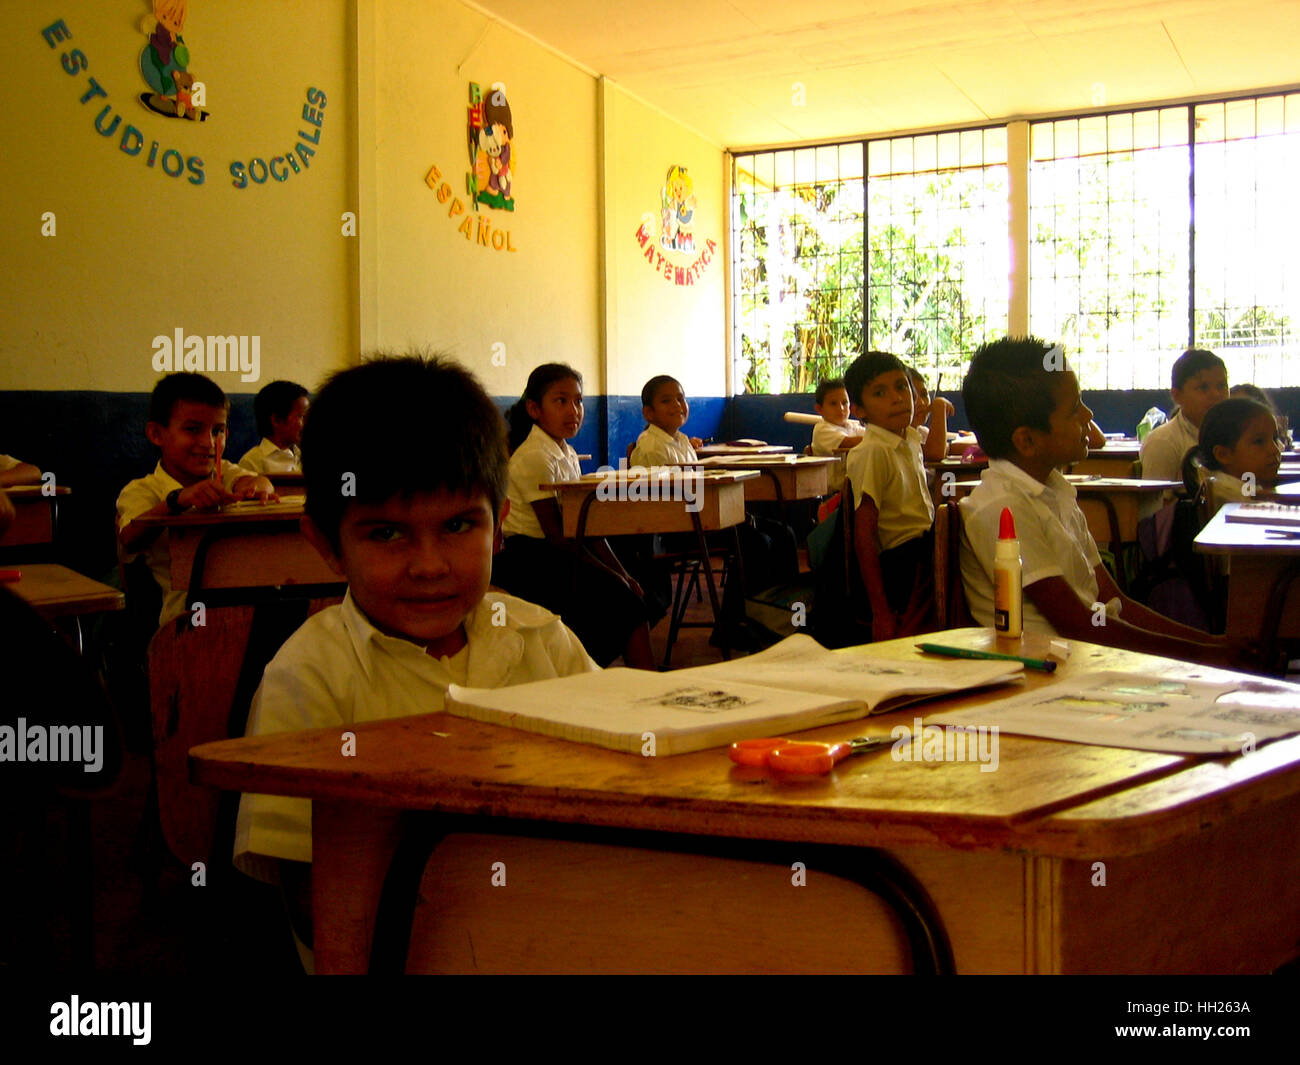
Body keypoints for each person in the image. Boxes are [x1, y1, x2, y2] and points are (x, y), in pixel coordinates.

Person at [233, 354, 599, 965]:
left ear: (499, 527)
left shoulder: (544, 641)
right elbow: (308, 896)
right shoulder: (309, 676)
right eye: (385, 534)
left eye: (458, 525)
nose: (429, 564)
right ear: (326, 544)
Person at [959, 336, 1249, 668]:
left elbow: (1114, 602)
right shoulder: (1003, 508)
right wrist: (1207, 657)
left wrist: (1212, 644)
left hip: (1086, 659)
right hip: (1046, 674)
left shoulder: (1055, 491)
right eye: (1074, 409)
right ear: (1027, 440)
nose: (1088, 414)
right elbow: (1083, 629)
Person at [493, 363, 655, 669]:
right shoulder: (535, 456)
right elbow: (556, 534)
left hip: (561, 548)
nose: (574, 410)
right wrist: (612, 575)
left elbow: (586, 526)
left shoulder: (565, 452)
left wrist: (621, 572)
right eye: (560, 401)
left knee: (638, 586)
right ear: (534, 409)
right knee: (623, 601)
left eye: (579, 401)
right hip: (528, 558)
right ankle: (640, 676)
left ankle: (602, 667)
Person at [116, 372, 276, 627]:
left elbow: (259, 481)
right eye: (193, 430)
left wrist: (255, 488)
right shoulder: (143, 490)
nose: (209, 443)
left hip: (249, 605)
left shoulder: (225, 473)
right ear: (157, 434)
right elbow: (129, 538)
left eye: (218, 431)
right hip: (187, 618)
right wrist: (176, 501)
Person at [842, 351, 936, 640]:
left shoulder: (910, 441)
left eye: (901, 386)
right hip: (900, 563)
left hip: (921, 551)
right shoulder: (873, 452)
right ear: (859, 409)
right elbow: (864, 536)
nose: (896, 398)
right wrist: (880, 612)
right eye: (880, 393)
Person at [1139, 348, 1229, 484]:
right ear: (1177, 396)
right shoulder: (1163, 442)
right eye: (1203, 388)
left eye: (1221, 386)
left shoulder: (1237, 436)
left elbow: (1249, 488)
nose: (1216, 394)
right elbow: (1155, 504)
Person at [1182, 396, 1283, 511]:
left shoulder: (1244, 488)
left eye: (1275, 439)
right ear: (1223, 455)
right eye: (1259, 441)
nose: (1274, 450)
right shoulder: (1231, 498)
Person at [629, 375, 702, 466]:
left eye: (680, 399)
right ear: (649, 413)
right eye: (666, 401)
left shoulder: (683, 440)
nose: (677, 404)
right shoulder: (651, 448)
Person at [238, 380, 309, 474]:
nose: (307, 422)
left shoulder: (303, 455)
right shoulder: (252, 462)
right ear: (277, 420)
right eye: (302, 416)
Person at [810, 377, 862, 493]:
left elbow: (868, 436)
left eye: (844, 402)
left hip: (852, 488)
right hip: (833, 494)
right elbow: (848, 442)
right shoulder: (822, 429)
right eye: (833, 404)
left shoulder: (851, 426)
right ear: (819, 409)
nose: (841, 408)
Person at [905, 366, 952, 462]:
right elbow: (935, 453)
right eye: (913, 397)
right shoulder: (899, 436)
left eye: (924, 394)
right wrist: (939, 406)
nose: (921, 403)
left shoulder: (922, 432)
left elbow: (948, 448)